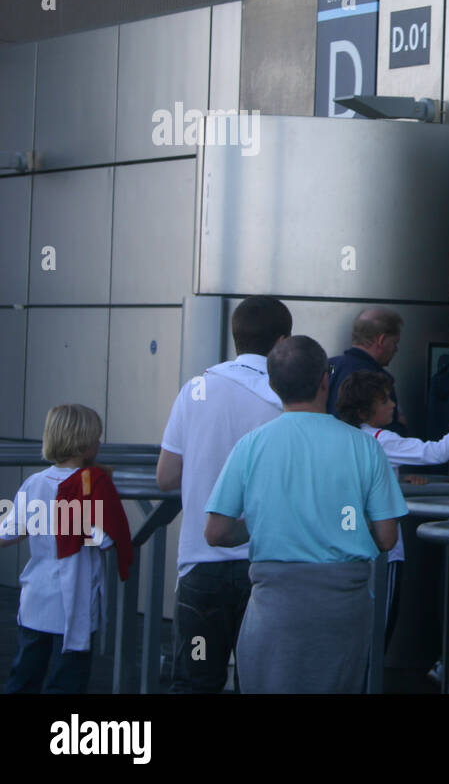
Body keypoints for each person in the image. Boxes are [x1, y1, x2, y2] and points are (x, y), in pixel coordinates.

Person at [204, 335, 408, 694]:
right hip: (344, 604)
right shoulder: (364, 446)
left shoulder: (251, 445)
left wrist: (262, 524)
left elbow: (216, 532)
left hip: (274, 602)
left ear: (272, 384)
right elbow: (387, 537)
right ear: (325, 380)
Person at [156, 295, 291, 693]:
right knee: (262, 681)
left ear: (235, 337)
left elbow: (166, 477)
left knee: (195, 680)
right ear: (283, 340)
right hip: (267, 563)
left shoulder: (196, 389)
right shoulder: (290, 399)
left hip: (201, 564)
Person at [334, 370, 449, 647]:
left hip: (344, 551)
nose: (392, 405)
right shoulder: (382, 440)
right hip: (384, 553)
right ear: (365, 410)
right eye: (384, 400)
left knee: (354, 639)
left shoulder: (343, 438)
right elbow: (438, 452)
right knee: (378, 637)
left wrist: (394, 477)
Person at [2, 405, 128, 693]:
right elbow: (105, 539)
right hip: (75, 605)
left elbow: (10, 531)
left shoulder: (34, 483)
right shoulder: (92, 486)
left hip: (36, 599)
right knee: (67, 683)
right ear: (84, 443)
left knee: (23, 678)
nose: (100, 443)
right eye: (97, 437)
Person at [327, 307, 408, 435]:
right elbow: (388, 432)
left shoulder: (329, 366)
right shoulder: (378, 380)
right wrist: (400, 425)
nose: (395, 349)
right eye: (394, 343)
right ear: (381, 340)